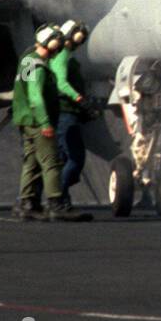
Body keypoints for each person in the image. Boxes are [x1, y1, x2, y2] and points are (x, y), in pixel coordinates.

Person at [12, 24, 88, 222]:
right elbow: (36, 97)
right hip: (38, 121)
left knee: (31, 162)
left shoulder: (28, 59)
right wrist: (45, 123)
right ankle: (56, 204)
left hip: (25, 119)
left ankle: (27, 203)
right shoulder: (39, 66)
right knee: (51, 162)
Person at [51, 18, 95, 212]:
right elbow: (61, 84)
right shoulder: (62, 57)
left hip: (67, 112)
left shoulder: (62, 56)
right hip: (65, 113)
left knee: (63, 158)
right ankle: (57, 196)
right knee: (75, 157)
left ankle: (62, 200)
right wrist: (79, 99)